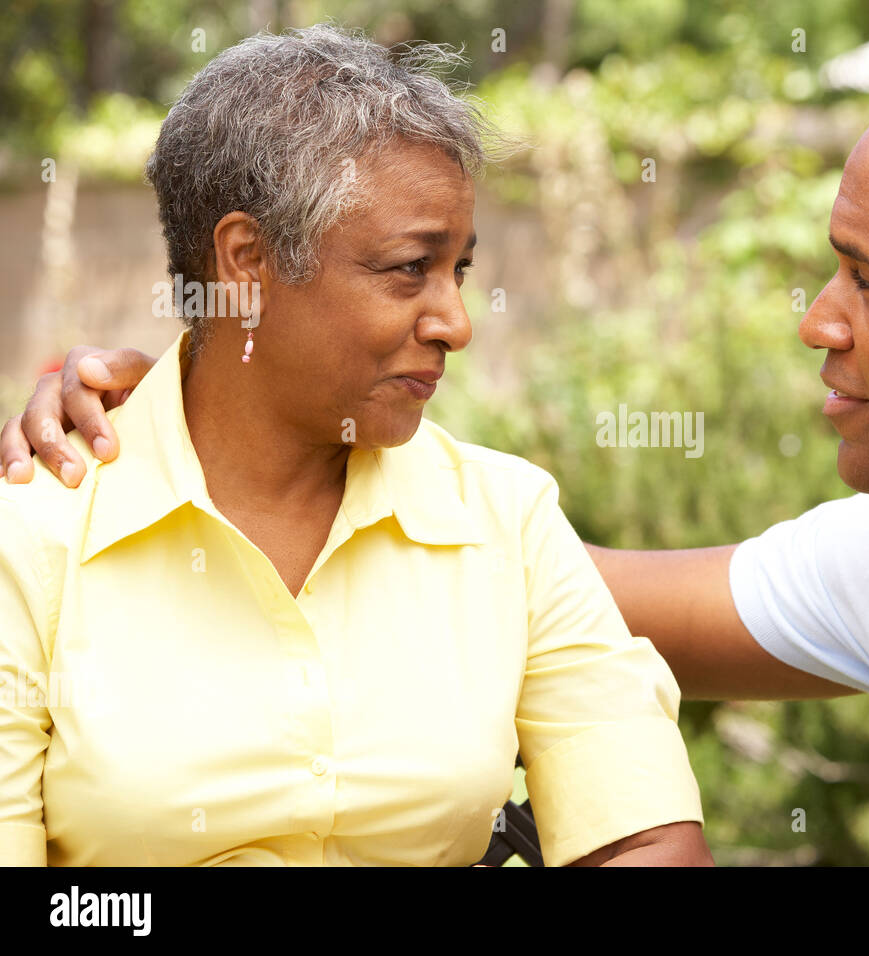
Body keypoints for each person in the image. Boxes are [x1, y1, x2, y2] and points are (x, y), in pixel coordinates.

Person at [10, 66, 869, 866]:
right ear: (248, 262)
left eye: (867, 280)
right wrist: (207, 421)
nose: (817, 320)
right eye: (414, 268)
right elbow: (554, 593)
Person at [0, 24, 709, 867]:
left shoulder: (506, 520)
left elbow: (648, 839)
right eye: (410, 268)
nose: (456, 322)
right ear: (247, 261)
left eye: (460, 272)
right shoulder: (35, 540)